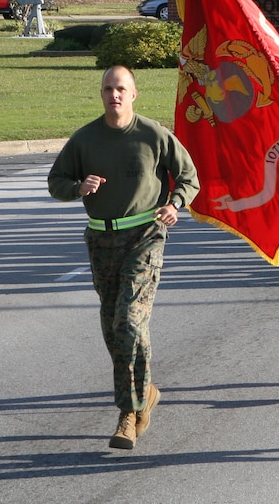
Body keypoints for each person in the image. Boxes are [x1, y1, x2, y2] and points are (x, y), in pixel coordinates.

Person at [47, 65, 200, 450]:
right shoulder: (85, 139)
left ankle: (128, 414)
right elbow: (56, 182)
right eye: (108, 89)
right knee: (114, 327)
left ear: (134, 95)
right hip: (101, 241)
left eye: (121, 89)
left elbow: (189, 177)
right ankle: (145, 390)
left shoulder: (152, 135)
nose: (114, 95)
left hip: (145, 235)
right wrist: (77, 187)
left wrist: (176, 204)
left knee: (130, 321)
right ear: (101, 94)